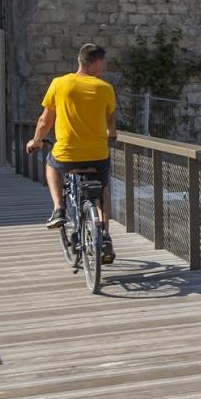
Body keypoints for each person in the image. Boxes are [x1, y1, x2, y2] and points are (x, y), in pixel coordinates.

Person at [26, 42, 117, 265]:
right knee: (102, 190)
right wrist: (111, 133)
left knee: (50, 164)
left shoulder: (59, 84)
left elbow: (45, 120)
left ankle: (58, 208)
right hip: (97, 154)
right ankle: (104, 234)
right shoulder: (105, 88)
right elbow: (110, 119)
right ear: (96, 63)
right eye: (102, 63)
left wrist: (36, 141)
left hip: (67, 155)